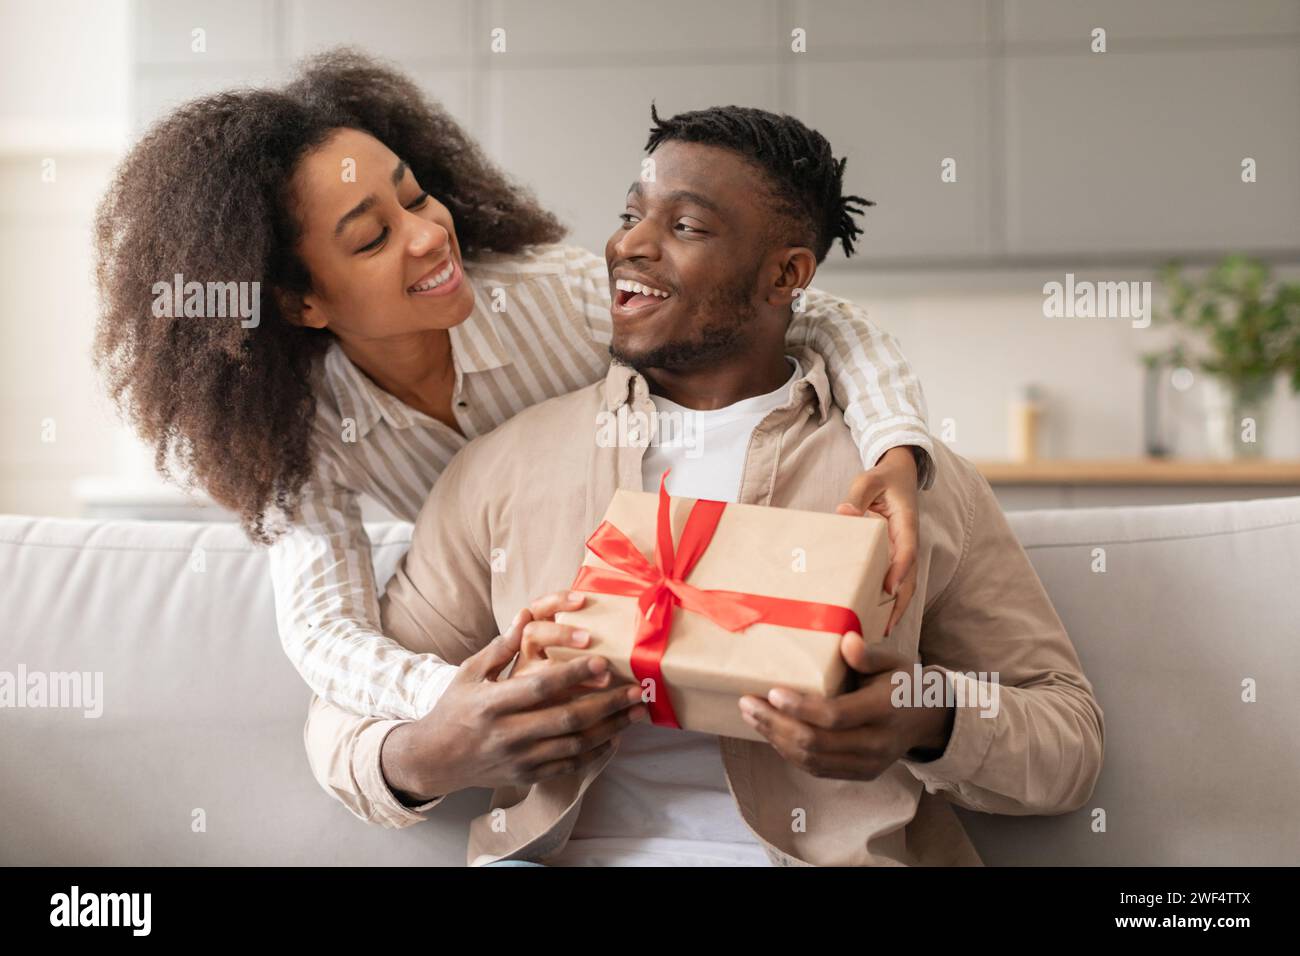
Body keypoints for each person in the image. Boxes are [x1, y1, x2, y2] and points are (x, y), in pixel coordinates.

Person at [304, 105, 1105, 867]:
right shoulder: (502, 468)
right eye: (630, 215)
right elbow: (341, 716)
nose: (629, 247)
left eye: (684, 226)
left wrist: (926, 719)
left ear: (786, 274)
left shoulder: (898, 481)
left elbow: (1068, 742)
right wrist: (435, 750)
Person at [92, 50, 935, 726]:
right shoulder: (296, 428)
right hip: (528, 637)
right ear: (300, 302)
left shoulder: (552, 298)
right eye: (373, 238)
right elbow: (324, 629)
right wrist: (453, 700)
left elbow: (814, 315)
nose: (428, 236)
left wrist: (897, 451)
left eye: (417, 195)